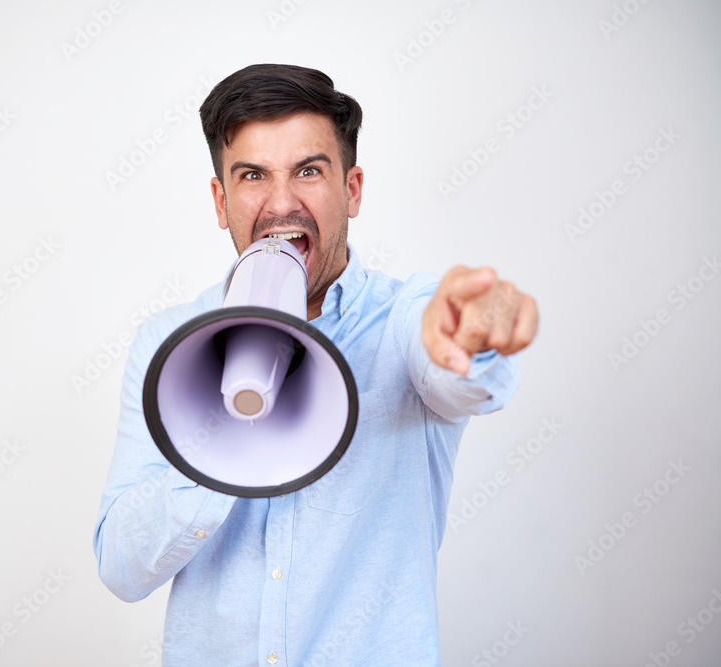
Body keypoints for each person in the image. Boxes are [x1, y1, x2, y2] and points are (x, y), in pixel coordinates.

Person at [93, 63, 538, 666]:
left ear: (351, 190)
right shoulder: (171, 343)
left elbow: (460, 375)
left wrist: (472, 334)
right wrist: (221, 430)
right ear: (222, 202)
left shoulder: (404, 320)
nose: (282, 203)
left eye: (308, 171)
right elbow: (123, 568)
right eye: (253, 175)